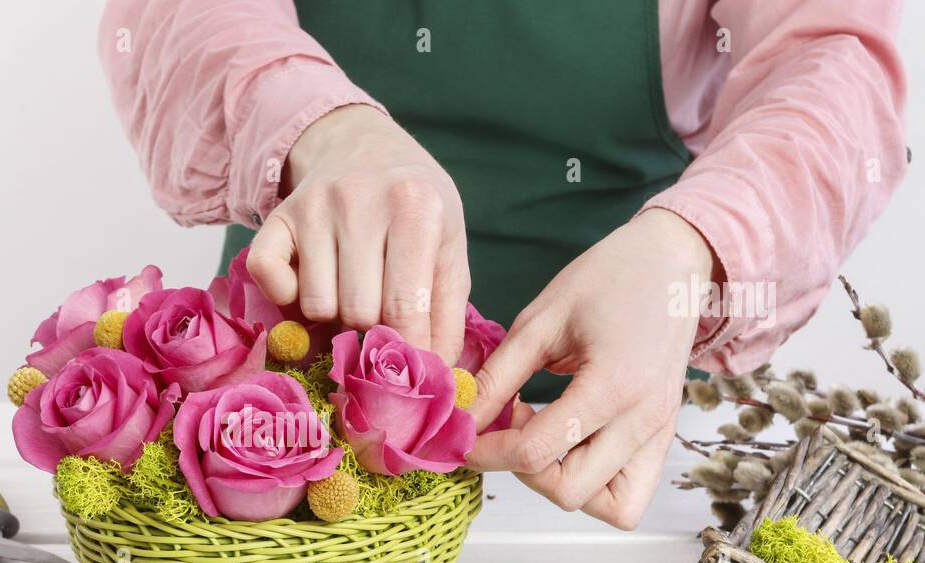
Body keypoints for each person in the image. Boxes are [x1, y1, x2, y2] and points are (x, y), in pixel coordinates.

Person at [99, 0, 907, 528]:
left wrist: (689, 247)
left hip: (609, 432)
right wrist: (322, 125)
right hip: (276, 422)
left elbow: (835, 61)